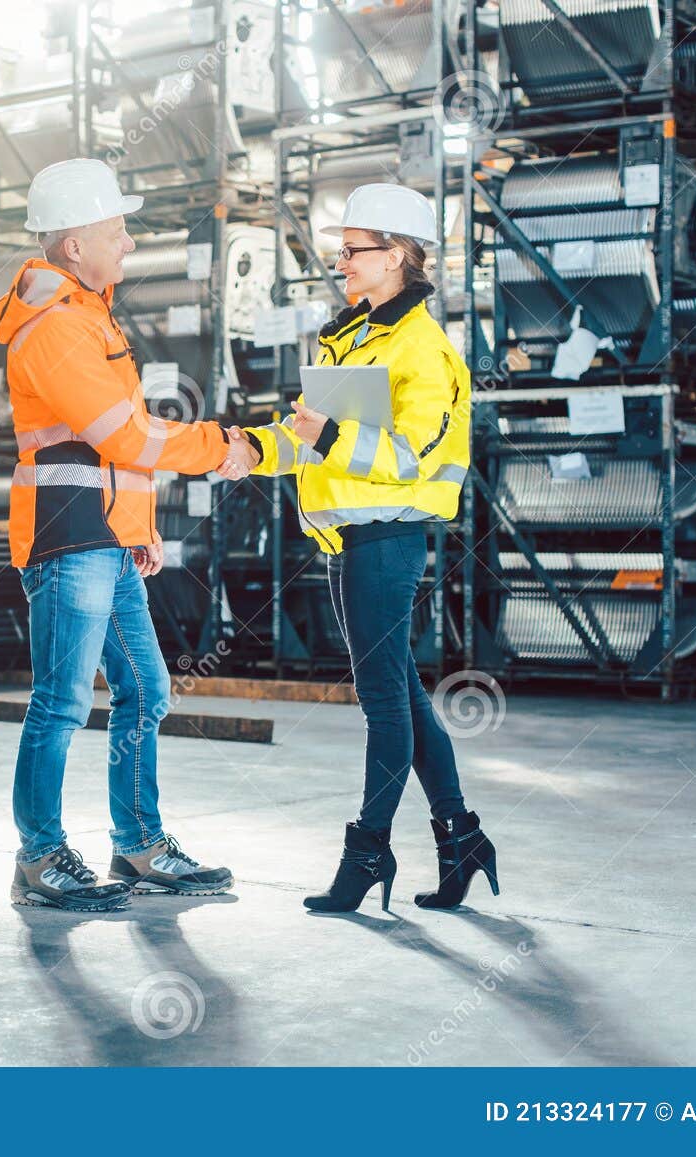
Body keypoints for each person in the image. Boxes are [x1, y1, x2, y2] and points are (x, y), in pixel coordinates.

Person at [0, 158, 256, 912]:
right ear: (75, 245)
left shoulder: (88, 316)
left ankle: (139, 844)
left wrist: (135, 528)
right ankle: (40, 856)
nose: (130, 243)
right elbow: (127, 438)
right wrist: (221, 445)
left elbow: (115, 448)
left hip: (104, 539)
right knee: (61, 701)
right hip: (69, 539)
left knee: (144, 689)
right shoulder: (56, 327)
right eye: (117, 231)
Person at [239, 183, 496, 913]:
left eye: (354, 250)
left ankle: (367, 852)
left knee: (383, 704)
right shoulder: (351, 337)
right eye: (343, 250)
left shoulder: (423, 349)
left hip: (387, 542)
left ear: (398, 255)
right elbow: (313, 440)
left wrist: (326, 434)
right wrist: (251, 449)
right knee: (404, 698)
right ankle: (462, 838)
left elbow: (410, 455)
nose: (342, 262)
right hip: (348, 542)